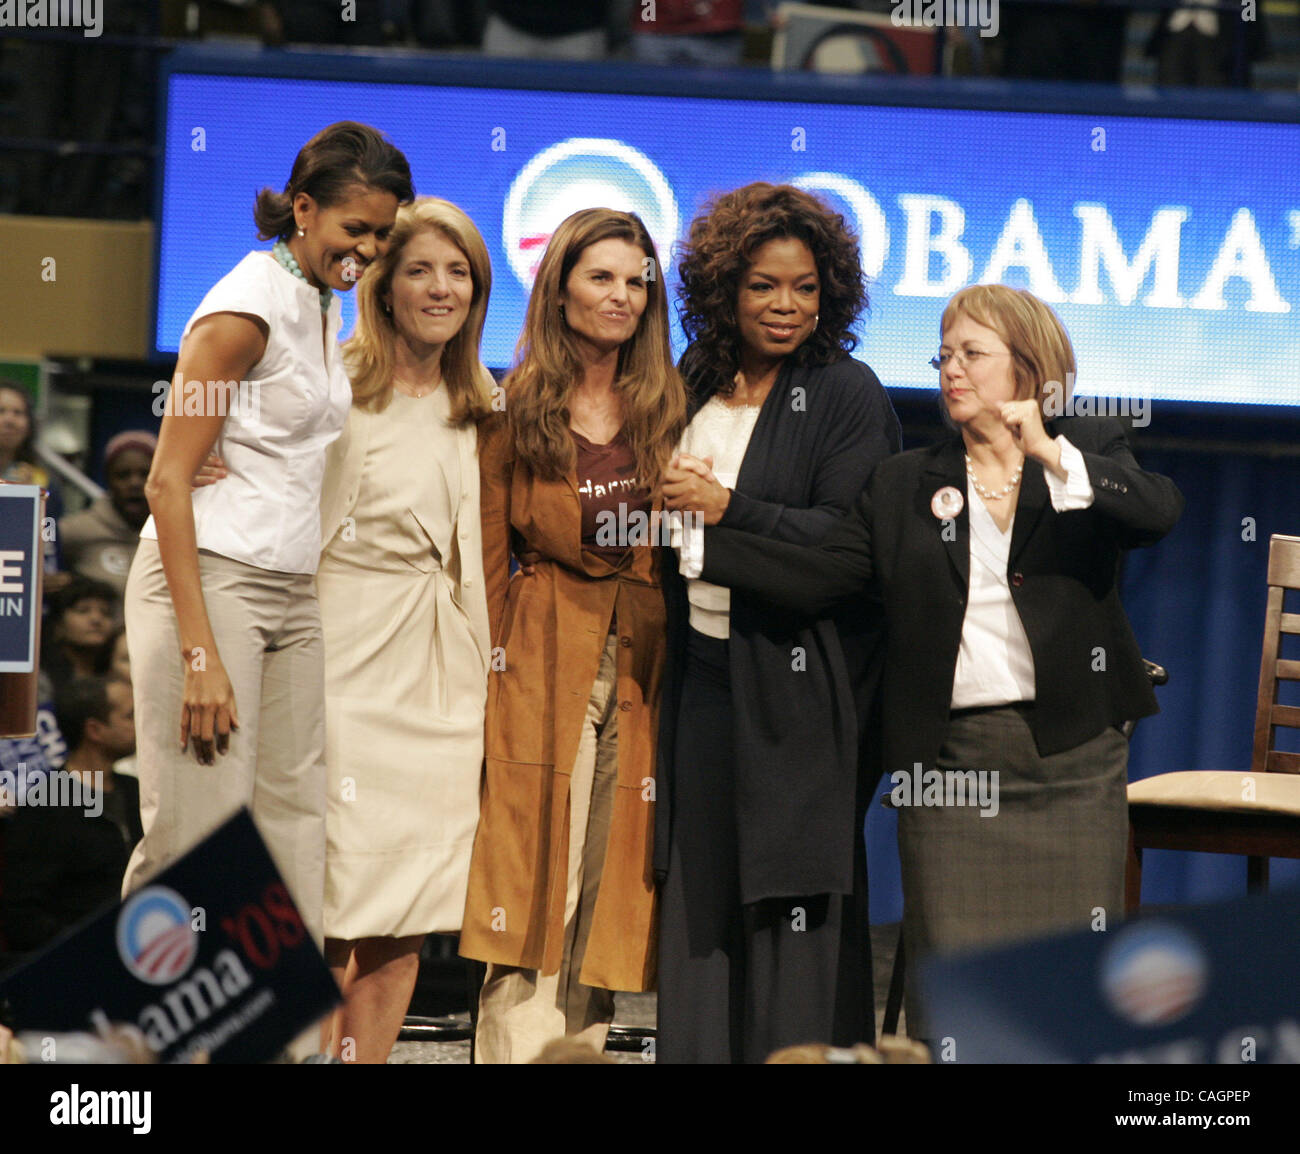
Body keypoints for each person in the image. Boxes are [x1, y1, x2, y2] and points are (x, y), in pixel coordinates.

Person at [690, 284, 1184, 1037]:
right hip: (951, 765)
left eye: (971, 354)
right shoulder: (903, 483)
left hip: (1072, 759)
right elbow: (821, 573)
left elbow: (1157, 512)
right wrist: (694, 547)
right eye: (943, 354)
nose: (950, 369)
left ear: (1029, 367)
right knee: (957, 990)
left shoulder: (1091, 445)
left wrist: (1051, 451)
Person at [121, 123, 412, 1061]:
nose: (366, 252)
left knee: (292, 842)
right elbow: (169, 480)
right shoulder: (243, 308)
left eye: (381, 237)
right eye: (355, 230)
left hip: (290, 595)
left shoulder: (318, 303)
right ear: (304, 209)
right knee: (199, 843)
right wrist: (200, 656)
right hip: (211, 586)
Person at [654, 181, 900, 1063]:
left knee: (791, 905)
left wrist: (727, 510)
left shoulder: (846, 392)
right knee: (700, 902)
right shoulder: (694, 378)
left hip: (799, 685)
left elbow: (848, 551)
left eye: (804, 287)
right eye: (764, 286)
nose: (786, 306)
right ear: (726, 289)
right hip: (705, 678)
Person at [459, 208, 687, 1063]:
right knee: (533, 884)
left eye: (636, 280)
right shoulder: (509, 406)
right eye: (602, 277)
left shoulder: (670, 403)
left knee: (610, 883)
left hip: (643, 657)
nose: (622, 296)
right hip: (538, 650)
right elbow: (484, 555)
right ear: (559, 289)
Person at [315, 198, 495, 1064]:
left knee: (409, 902)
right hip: (336, 657)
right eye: (420, 269)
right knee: (326, 895)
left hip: (444, 676)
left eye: (457, 272)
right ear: (383, 287)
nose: (441, 287)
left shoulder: (485, 401)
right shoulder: (330, 381)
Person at [1, 676, 140, 955]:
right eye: (131, 715)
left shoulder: (136, 790)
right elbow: (20, 911)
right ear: (95, 730)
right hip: (87, 965)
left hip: (148, 942)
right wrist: (85, 948)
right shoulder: (45, 806)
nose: (142, 723)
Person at [58, 431, 156, 595]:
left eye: (145, 474)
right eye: (123, 475)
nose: (134, 483)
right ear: (108, 479)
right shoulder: (78, 530)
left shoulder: (180, 535)